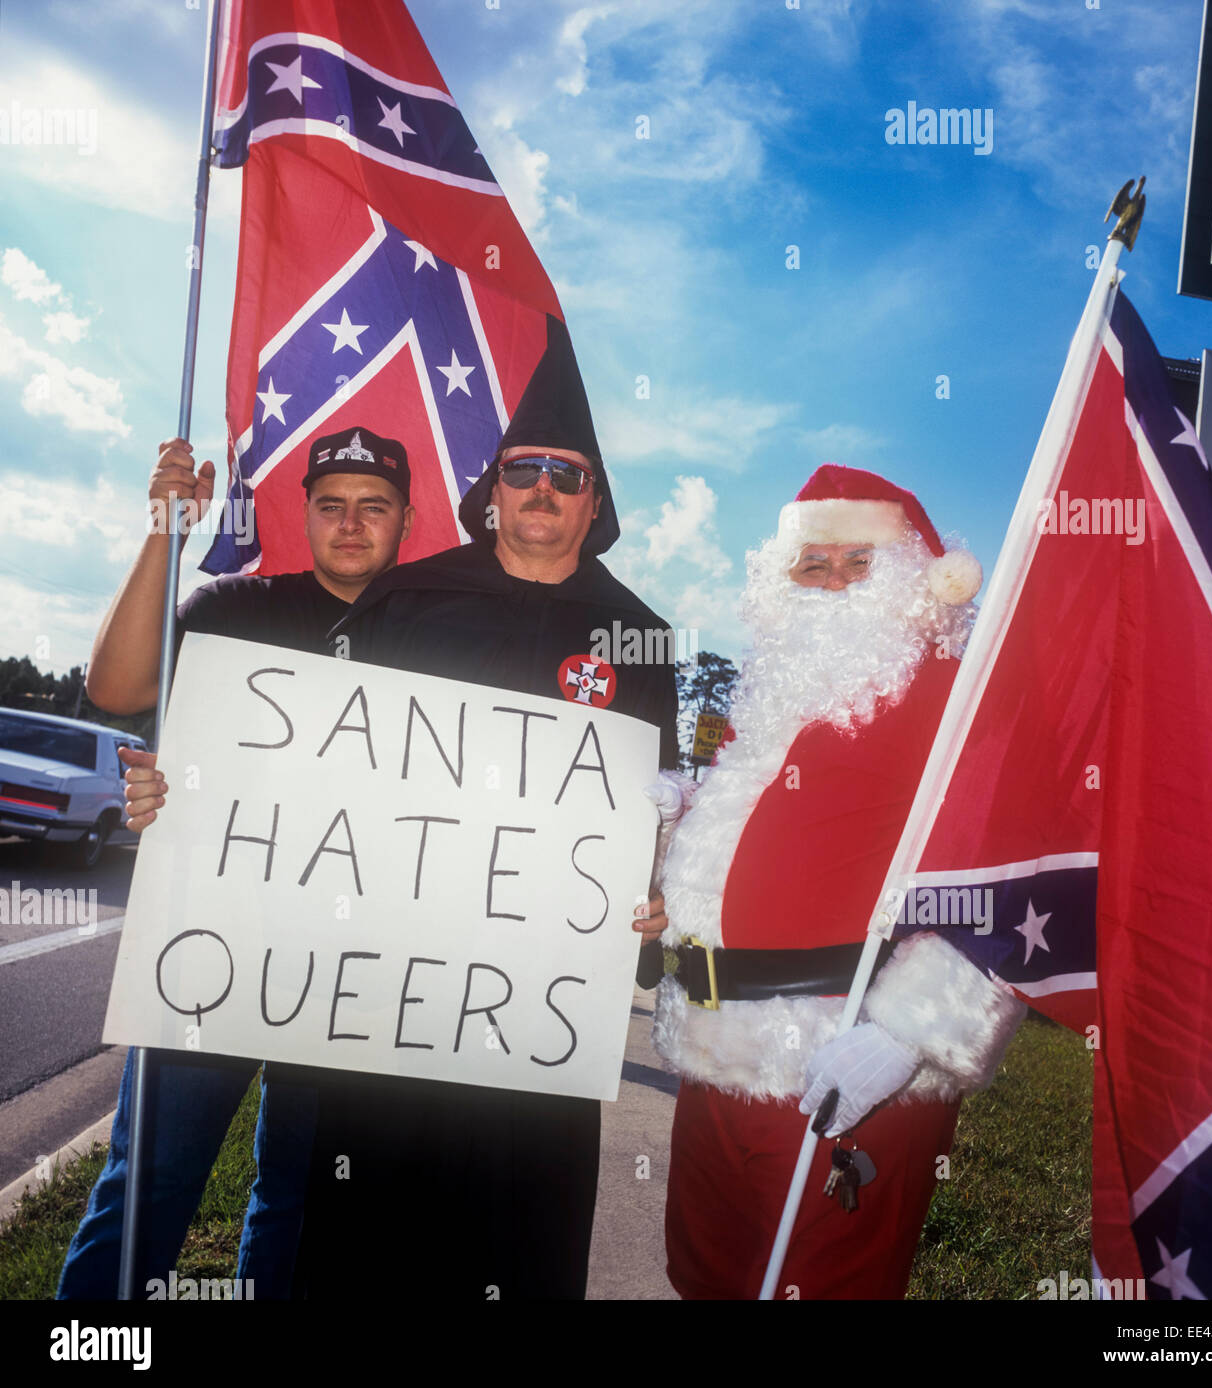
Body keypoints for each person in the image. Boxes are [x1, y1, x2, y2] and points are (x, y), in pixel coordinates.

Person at [280, 316, 680, 1300]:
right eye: (523, 468)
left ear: (595, 504)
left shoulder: (638, 637)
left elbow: (657, 804)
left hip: (540, 1011)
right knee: (360, 1247)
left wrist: (659, 890)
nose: (541, 487)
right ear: (490, 490)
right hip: (387, 994)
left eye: (567, 474)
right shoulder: (399, 601)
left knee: (519, 1244)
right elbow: (316, 767)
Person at [58, 425, 415, 1300]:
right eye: (331, 506)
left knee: (296, 1197)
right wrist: (164, 533)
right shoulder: (234, 607)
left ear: (407, 518)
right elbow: (116, 687)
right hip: (209, 952)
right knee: (150, 1185)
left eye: (375, 507)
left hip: (349, 970)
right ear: (302, 513)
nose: (352, 525)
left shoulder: (436, 637)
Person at [653, 464, 1026, 1300]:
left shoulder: (957, 699)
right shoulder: (769, 705)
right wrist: (678, 822)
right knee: (706, 1277)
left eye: (857, 564)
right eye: (811, 567)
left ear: (915, 579)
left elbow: (1011, 874)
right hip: (714, 1060)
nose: (830, 585)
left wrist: (909, 1035)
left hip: (845, 1066)